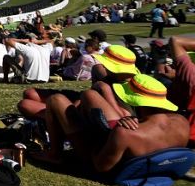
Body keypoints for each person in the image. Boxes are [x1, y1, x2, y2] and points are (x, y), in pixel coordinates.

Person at [35, 74, 189, 173]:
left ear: (138, 103)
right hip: (144, 156)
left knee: (56, 100)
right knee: (90, 95)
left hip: (106, 161)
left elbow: (100, 166)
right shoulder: (182, 123)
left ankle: (54, 154)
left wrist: (92, 132)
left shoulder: (125, 133)